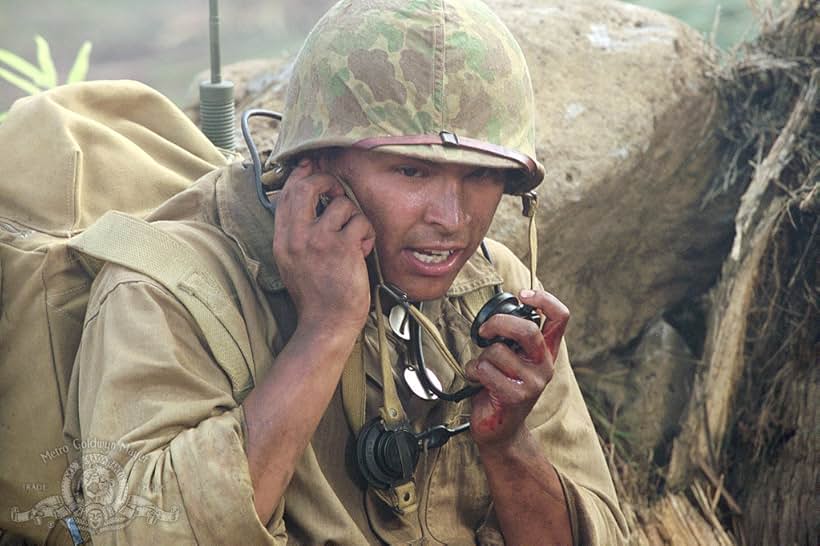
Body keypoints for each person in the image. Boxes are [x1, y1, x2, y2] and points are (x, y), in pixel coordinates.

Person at [64, 0, 629, 544]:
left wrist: (507, 447)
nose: (452, 220)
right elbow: (148, 534)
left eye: (480, 178)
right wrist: (326, 330)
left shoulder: (493, 290)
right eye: (412, 171)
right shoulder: (167, 287)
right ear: (316, 167)